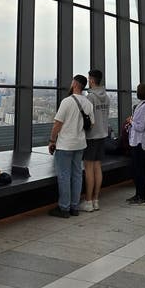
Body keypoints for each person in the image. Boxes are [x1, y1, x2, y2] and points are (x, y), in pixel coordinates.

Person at [48, 75, 94, 218]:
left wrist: (52, 140)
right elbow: (91, 124)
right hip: (80, 143)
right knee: (77, 175)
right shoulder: (87, 103)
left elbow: (57, 124)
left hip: (65, 145)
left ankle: (64, 208)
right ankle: (74, 206)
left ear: (74, 84)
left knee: (64, 176)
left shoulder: (67, 102)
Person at [81, 69, 110, 212]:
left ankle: (88, 201)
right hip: (103, 135)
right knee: (98, 167)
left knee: (88, 169)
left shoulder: (90, 97)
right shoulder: (107, 97)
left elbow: (86, 119)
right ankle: (96, 199)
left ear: (92, 80)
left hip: (91, 136)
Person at [126, 83, 145, 206]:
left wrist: (131, 121)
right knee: (137, 169)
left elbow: (140, 127)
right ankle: (138, 194)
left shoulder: (144, 107)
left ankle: (141, 196)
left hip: (139, 142)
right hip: (139, 141)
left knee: (138, 170)